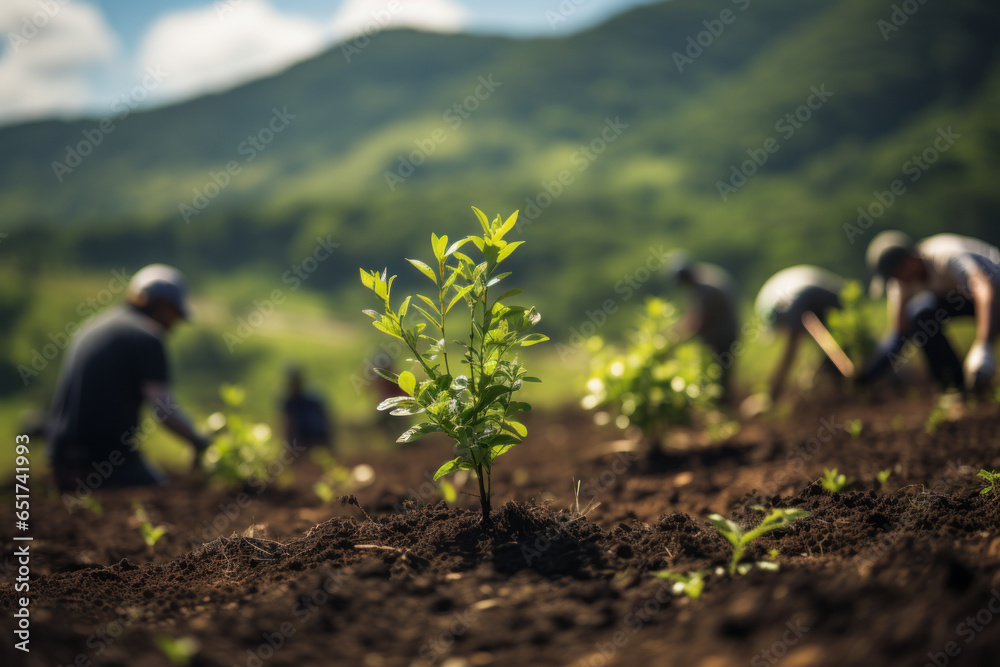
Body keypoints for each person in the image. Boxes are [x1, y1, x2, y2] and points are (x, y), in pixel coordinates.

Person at [46, 264, 210, 490]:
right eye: (175, 314)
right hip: (104, 461)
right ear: (162, 306)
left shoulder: (95, 325)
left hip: (63, 460)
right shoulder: (146, 337)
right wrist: (199, 440)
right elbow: (163, 409)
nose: (175, 325)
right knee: (164, 499)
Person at [856, 231, 1000, 392]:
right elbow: (900, 333)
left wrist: (984, 346)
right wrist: (866, 375)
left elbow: (984, 289)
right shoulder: (901, 283)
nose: (896, 280)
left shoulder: (944, 255)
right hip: (963, 299)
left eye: (895, 274)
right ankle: (954, 387)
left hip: (994, 294)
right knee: (920, 315)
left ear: (910, 260)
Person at [754, 265, 846, 401]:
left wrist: (772, 394)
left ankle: (848, 390)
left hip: (818, 299)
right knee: (837, 349)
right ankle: (845, 391)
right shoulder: (788, 296)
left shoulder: (789, 307)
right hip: (840, 298)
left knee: (838, 357)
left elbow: (790, 353)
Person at [669, 255, 739, 396]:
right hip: (721, 332)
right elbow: (694, 312)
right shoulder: (702, 279)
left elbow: (700, 322)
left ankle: (723, 406)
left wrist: (676, 339)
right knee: (718, 374)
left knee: (719, 375)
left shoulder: (707, 289)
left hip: (723, 336)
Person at [281, 366, 333, 449]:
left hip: (319, 436)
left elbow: (325, 418)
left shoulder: (313, 397)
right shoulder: (289, 401)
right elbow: (287, 425)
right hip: (302, 439)